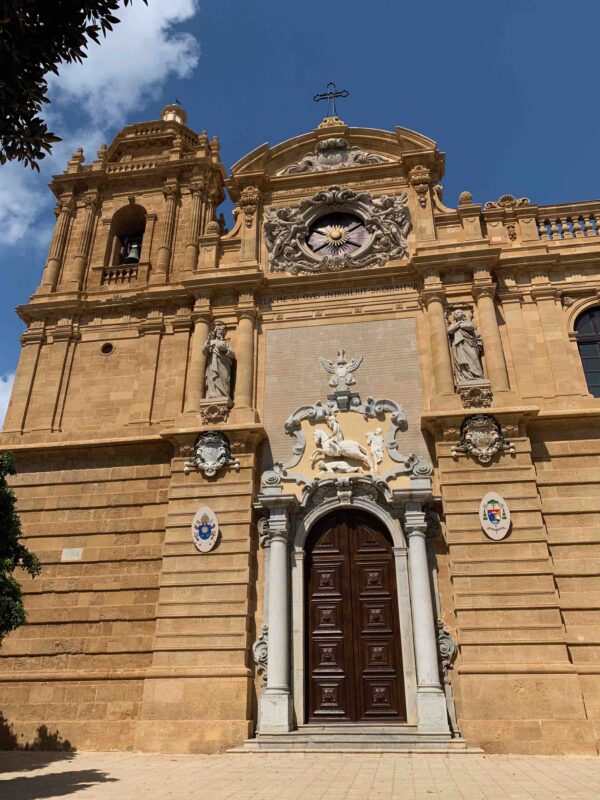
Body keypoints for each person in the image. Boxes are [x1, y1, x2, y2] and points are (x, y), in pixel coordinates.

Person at [447, 309, 484, 382]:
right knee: (461, 360)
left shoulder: (467, 322)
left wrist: (458, 324)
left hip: (469, 344)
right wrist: (459, 324)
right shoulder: (453, 325)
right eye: (455, 313)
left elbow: (470, 326)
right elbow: (450, 330)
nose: (457, 313)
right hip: (459, 345)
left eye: (459, 312)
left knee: (474, 358)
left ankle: (477, 375)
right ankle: (466, 376)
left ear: (463, 314)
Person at [203, 321, 235, 400]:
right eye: (219, 329)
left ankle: (223, 395)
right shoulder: (210, 341)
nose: (221, 331)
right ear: (215, 331)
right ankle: (213, 393)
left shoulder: (225, 343)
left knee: (224, 379)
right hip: (212, 364)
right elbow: (204, 351)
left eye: (222, 330)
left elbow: (233, 354)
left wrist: (225, 350)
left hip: (223, 365)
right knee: (212, 377)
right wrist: (208, 341)